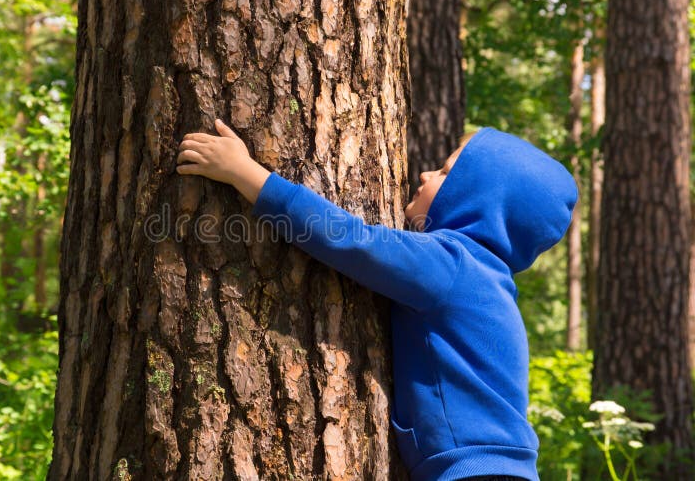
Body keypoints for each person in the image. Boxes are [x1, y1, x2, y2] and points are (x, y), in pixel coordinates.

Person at [176, 119, 578, 481]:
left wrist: (246, 173)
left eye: (445, 172)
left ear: (479, 198)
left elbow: (350, 240)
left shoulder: (451, 265)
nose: (424, 173)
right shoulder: (487, 279)